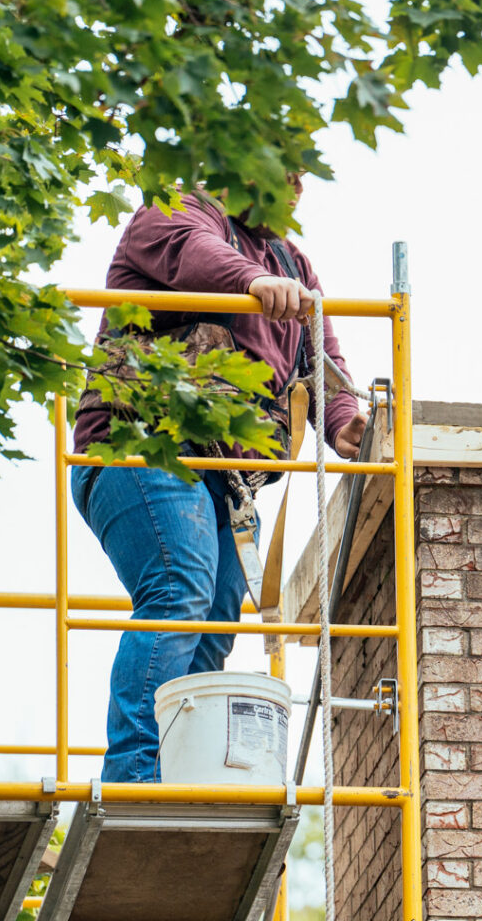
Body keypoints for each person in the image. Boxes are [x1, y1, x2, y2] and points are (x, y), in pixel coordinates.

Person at [71, 183, 365, 783]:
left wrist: (343, 421)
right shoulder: (175, 209)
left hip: (226, 481)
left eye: (299, 177)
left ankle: (185, 776)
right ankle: (134, 775)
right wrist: (252, 283)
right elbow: (191, 251)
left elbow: (321, 358)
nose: (295, 188)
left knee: (213, 625)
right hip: (140, 446)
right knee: (181, 584)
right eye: (280, 171)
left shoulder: (292, 263)